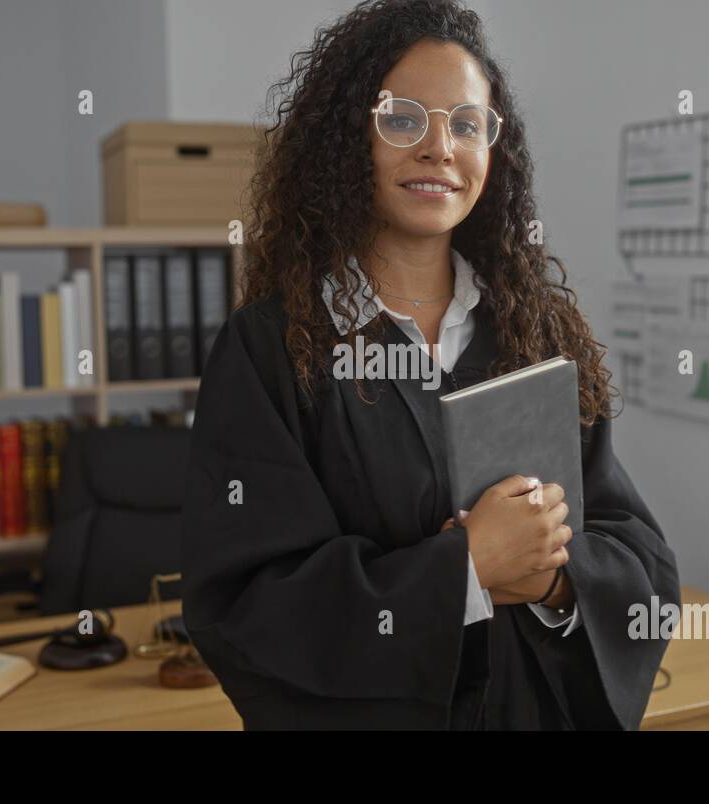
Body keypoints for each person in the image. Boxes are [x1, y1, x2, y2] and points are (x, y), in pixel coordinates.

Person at [181, 0, 680, 730]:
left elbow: (638, 556)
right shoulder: (271, 352)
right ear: (348, 139)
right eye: (402, 118)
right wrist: (465, 571)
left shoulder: (535, 334)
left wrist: (554, 578)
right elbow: (246, 604)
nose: (440, 148)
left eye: (467, 124)